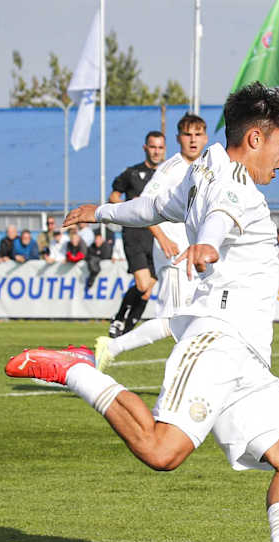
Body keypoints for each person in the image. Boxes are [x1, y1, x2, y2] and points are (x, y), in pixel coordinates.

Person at [11, 82, 279, 542]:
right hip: (218, 338)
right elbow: (219, 217)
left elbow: (152, 208)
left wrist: (101, 212)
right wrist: (208, 245)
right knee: (161, 450)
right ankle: (79, 370)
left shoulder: (206, 168)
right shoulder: (236, 185)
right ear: (256, 139)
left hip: (247, 357)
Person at [96, 114, 207, 367]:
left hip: (196, 256)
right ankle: (114, 346)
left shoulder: (205, 167)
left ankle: (114, 346)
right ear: (179, 138)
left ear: (206, 138)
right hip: (175, 254)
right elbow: (143, 207)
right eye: (188, 134)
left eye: (198, 134)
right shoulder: (170, 169)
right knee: (175, 321)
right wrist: (163, 237)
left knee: (195, 318)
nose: (193, 140)